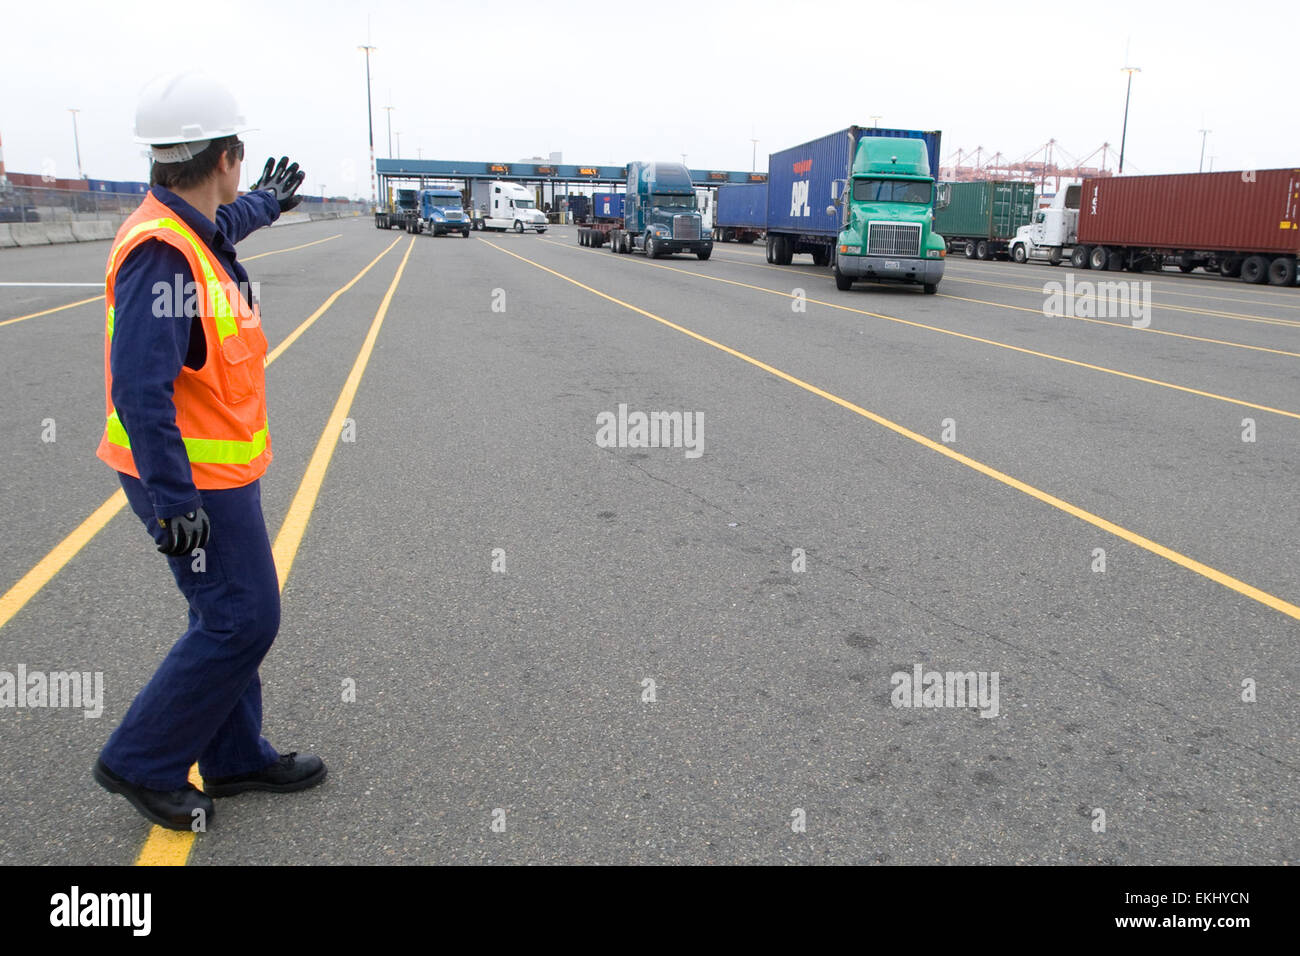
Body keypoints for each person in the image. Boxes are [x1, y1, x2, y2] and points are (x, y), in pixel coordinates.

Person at [92, 71, 325, 831]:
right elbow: (140, 390)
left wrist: (268, 201)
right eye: (241, 167)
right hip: (191, 479)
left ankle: (232, 757)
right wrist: (175, 501)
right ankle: (140, 760)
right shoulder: (162, 254)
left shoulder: (189, 226)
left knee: (224, 613)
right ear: (227, 154)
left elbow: (225, 227)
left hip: (216, 468)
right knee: (242, 620)